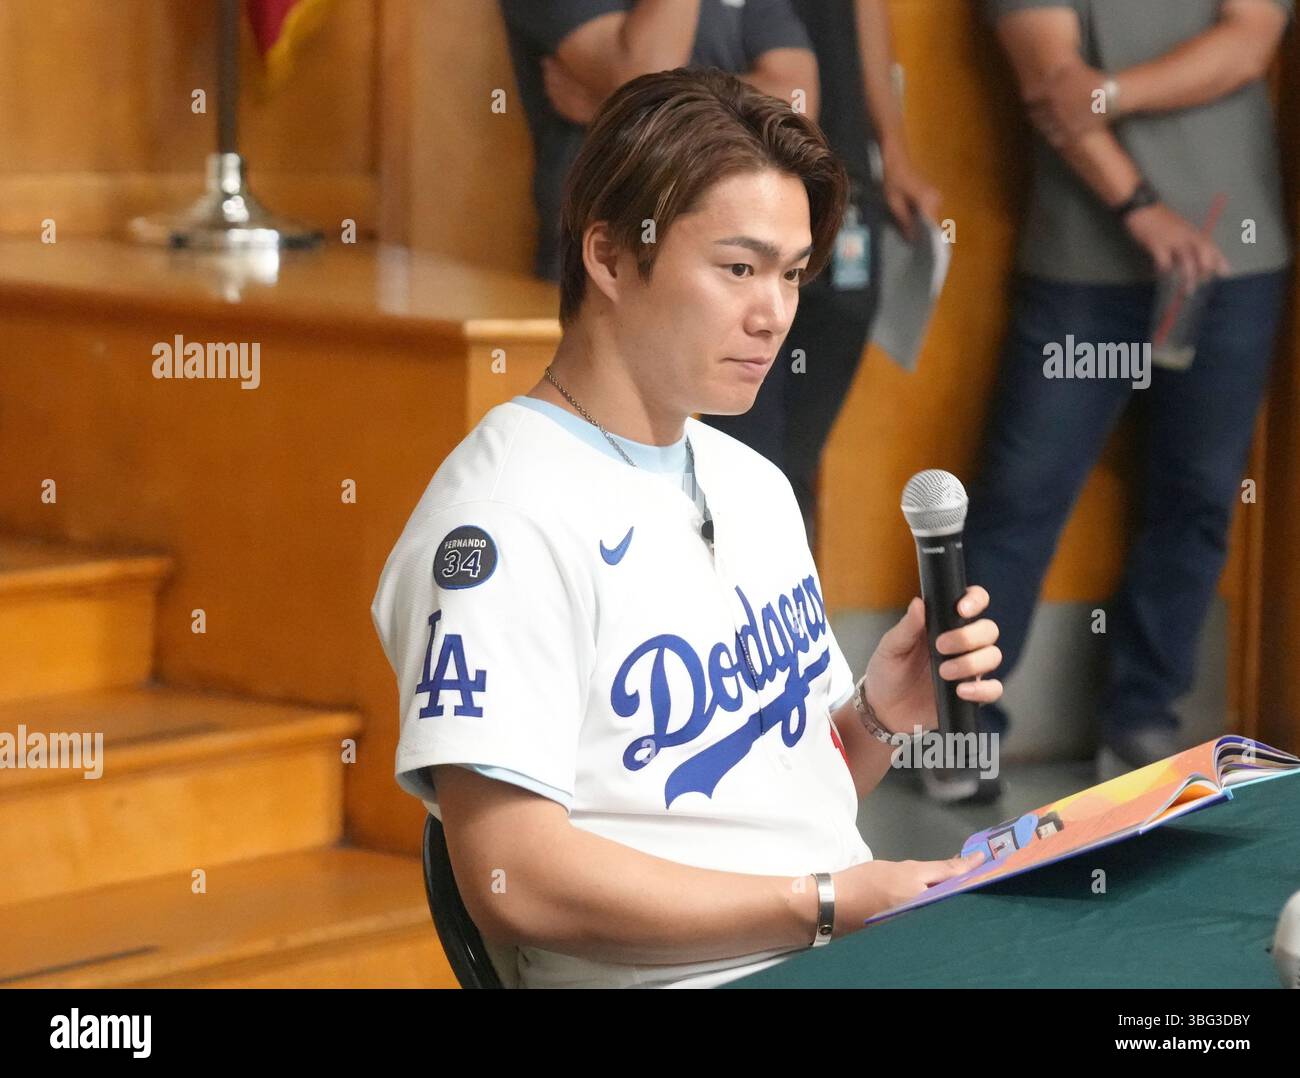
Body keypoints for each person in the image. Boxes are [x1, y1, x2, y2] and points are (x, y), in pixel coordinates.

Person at [371, 69, 1000, 989]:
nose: (773, 313)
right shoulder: (499, 519)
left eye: (790, 275)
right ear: (610, 256)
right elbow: (513, 880)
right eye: (738, 268)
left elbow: (775, 804)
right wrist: (825, 904)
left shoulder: (753, 482)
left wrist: (875, 715)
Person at [963, 0, 1292, 795]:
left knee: (1199, 497)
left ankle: (1144, 716)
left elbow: (1248, 46)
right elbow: (1050, 84)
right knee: (1021, 497)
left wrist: (1109, 92)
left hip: (1235, 259)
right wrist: (1145, 213)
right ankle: (961, 728)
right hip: (1082, 268)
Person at [702, 0, 942, 546]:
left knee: (793, 466)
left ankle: (789, 621)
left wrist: (894, 151)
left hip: (846, 188)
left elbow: (865, 19)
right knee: (740, 456)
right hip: (738, 188)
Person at [498, 0, 818, 283]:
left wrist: (627, 103)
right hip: (620, 234)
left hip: (739, 236)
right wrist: (644, 97)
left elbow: (798, 102)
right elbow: (643, 73)